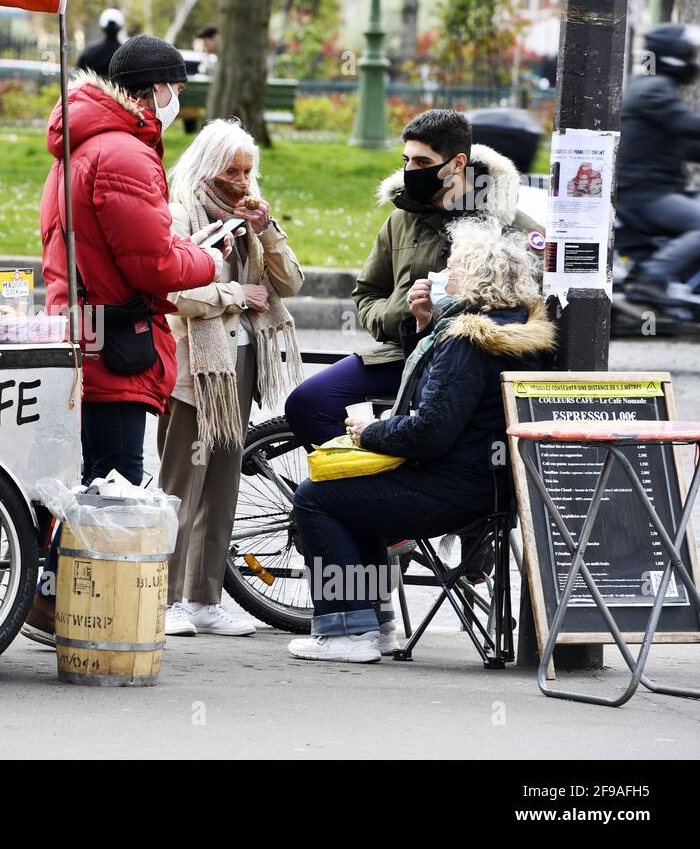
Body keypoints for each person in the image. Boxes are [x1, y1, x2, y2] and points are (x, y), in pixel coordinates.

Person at [28, 34, 227, 643]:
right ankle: (89, 620)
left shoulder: (80, 147)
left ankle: (51, 600)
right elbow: (154, 266)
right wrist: (206, 259)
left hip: (83, 328)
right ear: (156, 89)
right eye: (176, 89)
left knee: (85, 478)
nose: (178, 101)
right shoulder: (122, 154)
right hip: (117, 343)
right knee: (111, 488)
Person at [288, 216, 556, 663]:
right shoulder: (516, 330)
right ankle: (375, 624)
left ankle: (347, 631)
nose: (437, 277)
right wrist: (424, 325)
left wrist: (369, 432)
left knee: (317, 497)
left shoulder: (467, 341)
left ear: (472, 279)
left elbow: (431, 432)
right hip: (492, 485)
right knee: (356, 501)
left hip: (456, 487)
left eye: (448, 268)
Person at [283, 108, 544, 450]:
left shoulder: (515, 229)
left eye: (422, 162)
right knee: (308, 403)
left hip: (471, 364)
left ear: (457, 163)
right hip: (400, 354)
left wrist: (449, 325)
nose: (409, 171)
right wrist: (400, 318)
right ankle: (360, 487)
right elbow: (368, 292)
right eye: (406, 160)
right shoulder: (400, 219)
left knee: (446, 428)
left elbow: (532, 315)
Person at [158, 119, 304, 637]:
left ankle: (204, 596)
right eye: (230, 170)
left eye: (247, 170)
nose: (240, 180)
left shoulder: (252, 219)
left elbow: (290, 281)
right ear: (206, 167)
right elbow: (175, 292)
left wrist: (266, 230)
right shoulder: (178, 215)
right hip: (194, 363)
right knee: (182, 480)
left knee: (222, 479)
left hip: (239, 362)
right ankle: (166, 597)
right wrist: (237, 295)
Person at [618, 23, 700, 310]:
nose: (693, 59)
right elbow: (688, 125)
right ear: (674, 55)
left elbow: (682, 143)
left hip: (651, 188)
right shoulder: (654, 89)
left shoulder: (654, 86)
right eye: (689, 53)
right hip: (644, 194)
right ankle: (651, 280)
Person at [75, 8, 125, 77]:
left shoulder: (89, 52)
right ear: (120, 27)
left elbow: (78, 74)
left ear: (103, 27)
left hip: (93, 87)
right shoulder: (126, 54)